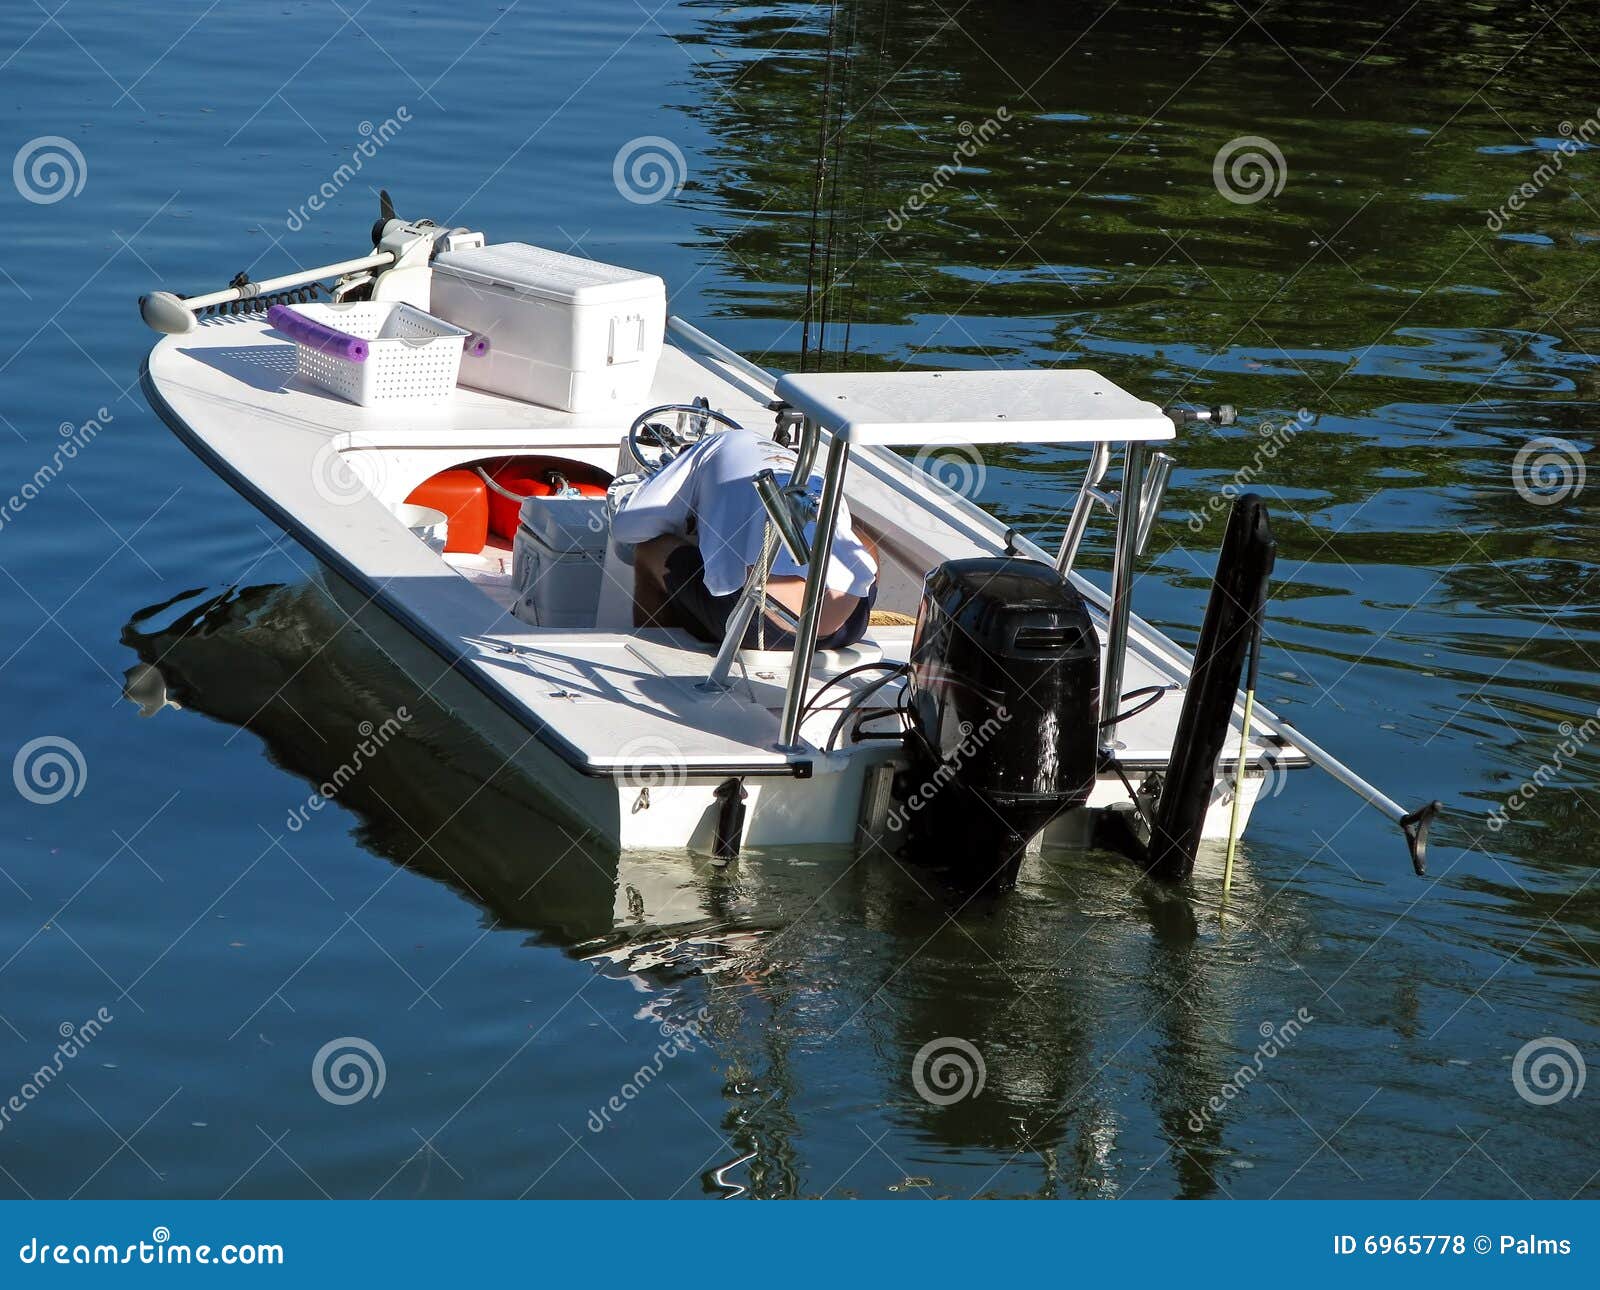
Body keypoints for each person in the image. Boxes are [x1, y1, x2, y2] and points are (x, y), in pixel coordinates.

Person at [609, 428, 877, 650]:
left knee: (650, 551)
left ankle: (656, 652)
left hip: (765, 627)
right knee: (853, 533)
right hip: (851, 622)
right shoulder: (804, 466)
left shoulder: (714, 446)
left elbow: (628, 525)